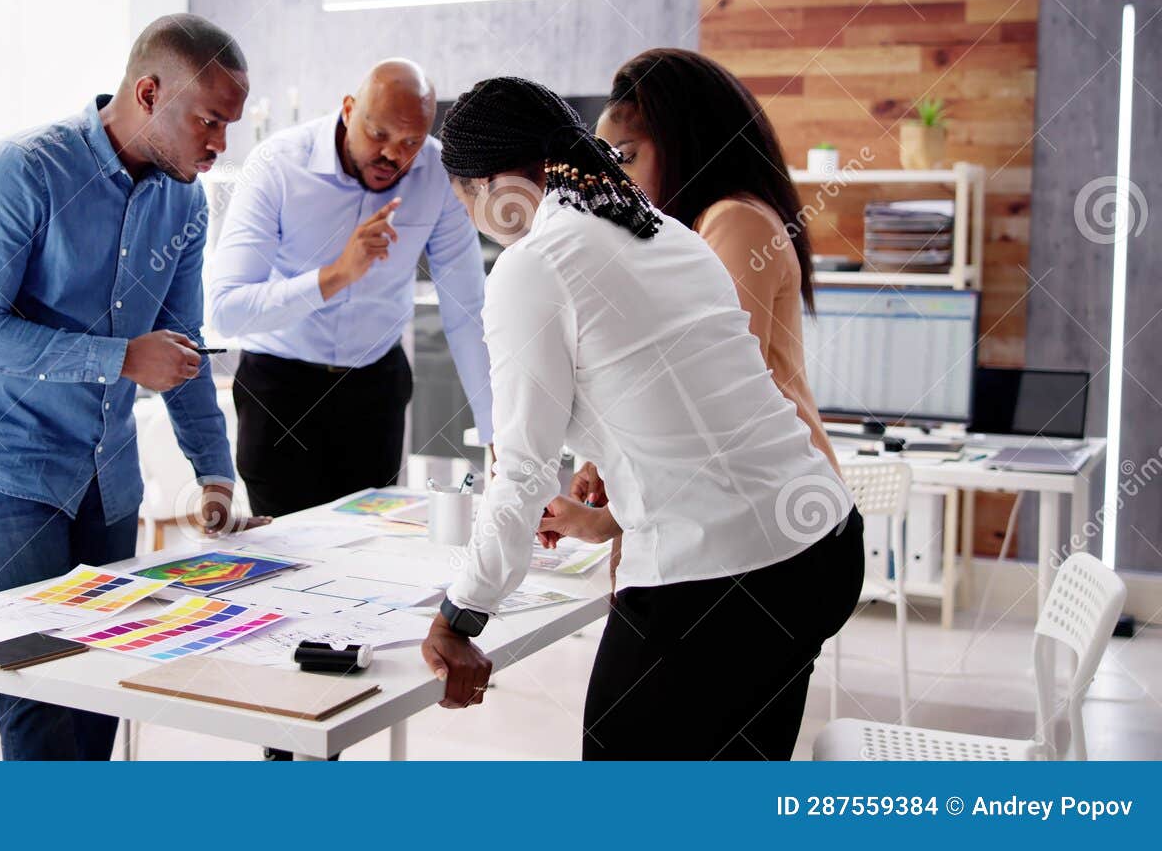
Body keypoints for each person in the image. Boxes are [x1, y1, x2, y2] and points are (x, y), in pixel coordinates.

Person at [419, 77, 864, 760]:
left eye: (464, 200)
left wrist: (461, 614)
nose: (475, 220)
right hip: (820, 548)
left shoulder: (531, 264)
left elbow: (524, 471)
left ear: (492, 185)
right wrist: (613, 477)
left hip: (720, 575)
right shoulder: (664, 230)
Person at [0, 14, 267, 761]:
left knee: (104, 681)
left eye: (229, 126)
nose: (220, 144)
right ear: (149, 93)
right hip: (6, 467)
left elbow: (179, 347)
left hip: (107, 476)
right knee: (38, 690)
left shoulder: (184, 201)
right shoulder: (22, 171)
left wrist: (215, 474)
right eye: (209, 121)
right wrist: (119, 358)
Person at [208, 59, 493, 518]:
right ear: (347, 110)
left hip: (375, 391)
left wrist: (495, 432)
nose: (393, 155)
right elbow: (227, 311)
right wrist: (337, 274)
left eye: (410, 142)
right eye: (378, 134)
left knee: (371, 544)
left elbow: (467, 310)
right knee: (287, 552)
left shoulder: (438, 174)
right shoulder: (278, 165)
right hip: (280, 392)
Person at [591, 47, 839, 481]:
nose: (615, 182)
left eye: (625, 158)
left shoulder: (735, 221)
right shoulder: (691, 230)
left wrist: (615, 502)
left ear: (685, 142)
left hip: (783, 496)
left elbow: (716, 391)